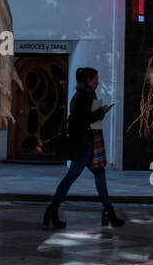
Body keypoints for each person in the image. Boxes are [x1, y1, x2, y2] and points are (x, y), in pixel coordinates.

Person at [43, 67, 126, 229]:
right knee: (72, 177)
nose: (97, 82)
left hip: (89, 144)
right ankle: (53, 209)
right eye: (95, 79)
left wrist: (100, 112)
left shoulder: (88, 95)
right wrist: (101, 112)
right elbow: (84, 121)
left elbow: (91, 120)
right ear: (87, 81)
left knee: (97, 175)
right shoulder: (82, 97)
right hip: (83, 146)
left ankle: (108, 211)